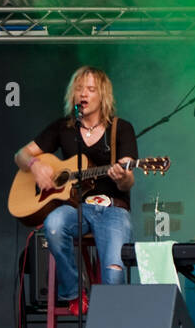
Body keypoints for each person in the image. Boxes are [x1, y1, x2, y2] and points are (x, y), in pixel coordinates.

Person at [15, 67, 136, 314]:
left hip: (113, 210)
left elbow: (128, 182)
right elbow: (21, 154)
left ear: (102, 95)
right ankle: (73, 293)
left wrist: (122, 177)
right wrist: (35, 165)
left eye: (90, 89)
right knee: (54, 224)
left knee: (114, 274)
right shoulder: (64, 128)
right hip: (76, 208)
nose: (84, 94)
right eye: (79, 89)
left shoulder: (121, 129)